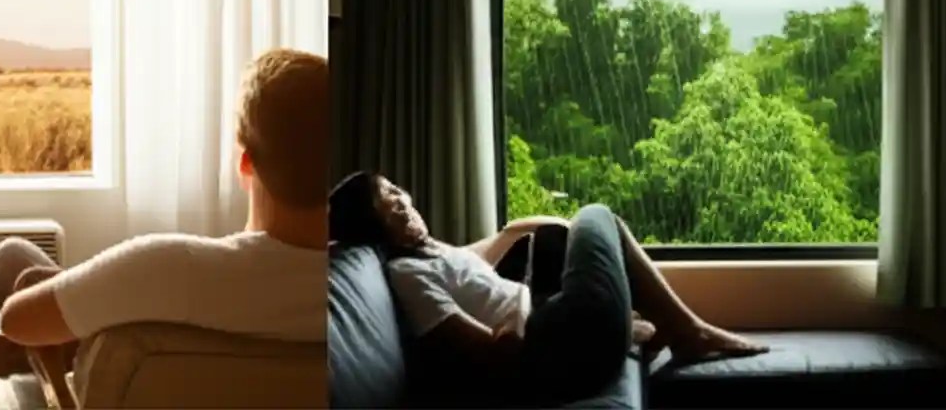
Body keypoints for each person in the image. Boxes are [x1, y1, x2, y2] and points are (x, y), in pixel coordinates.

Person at [0, 49, 329, 408]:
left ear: (245, 162)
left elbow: (16, 322)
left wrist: (106, 287)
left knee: (14, 262)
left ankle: (82, 325)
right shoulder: (372, 288)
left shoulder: (170, 267)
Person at [329, 172, 769, 407]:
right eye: (388, 205)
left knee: (560, 236)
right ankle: (684, 332)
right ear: (377, 228)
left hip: (553, 323)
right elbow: (490, 352)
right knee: (598, 217)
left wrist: (530, 232)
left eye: (397, 191)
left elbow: (480, 259)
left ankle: (651, 328)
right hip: (552, 346)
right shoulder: (408, 276)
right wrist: (520, 316)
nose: (402, 202)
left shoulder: (432, 252)